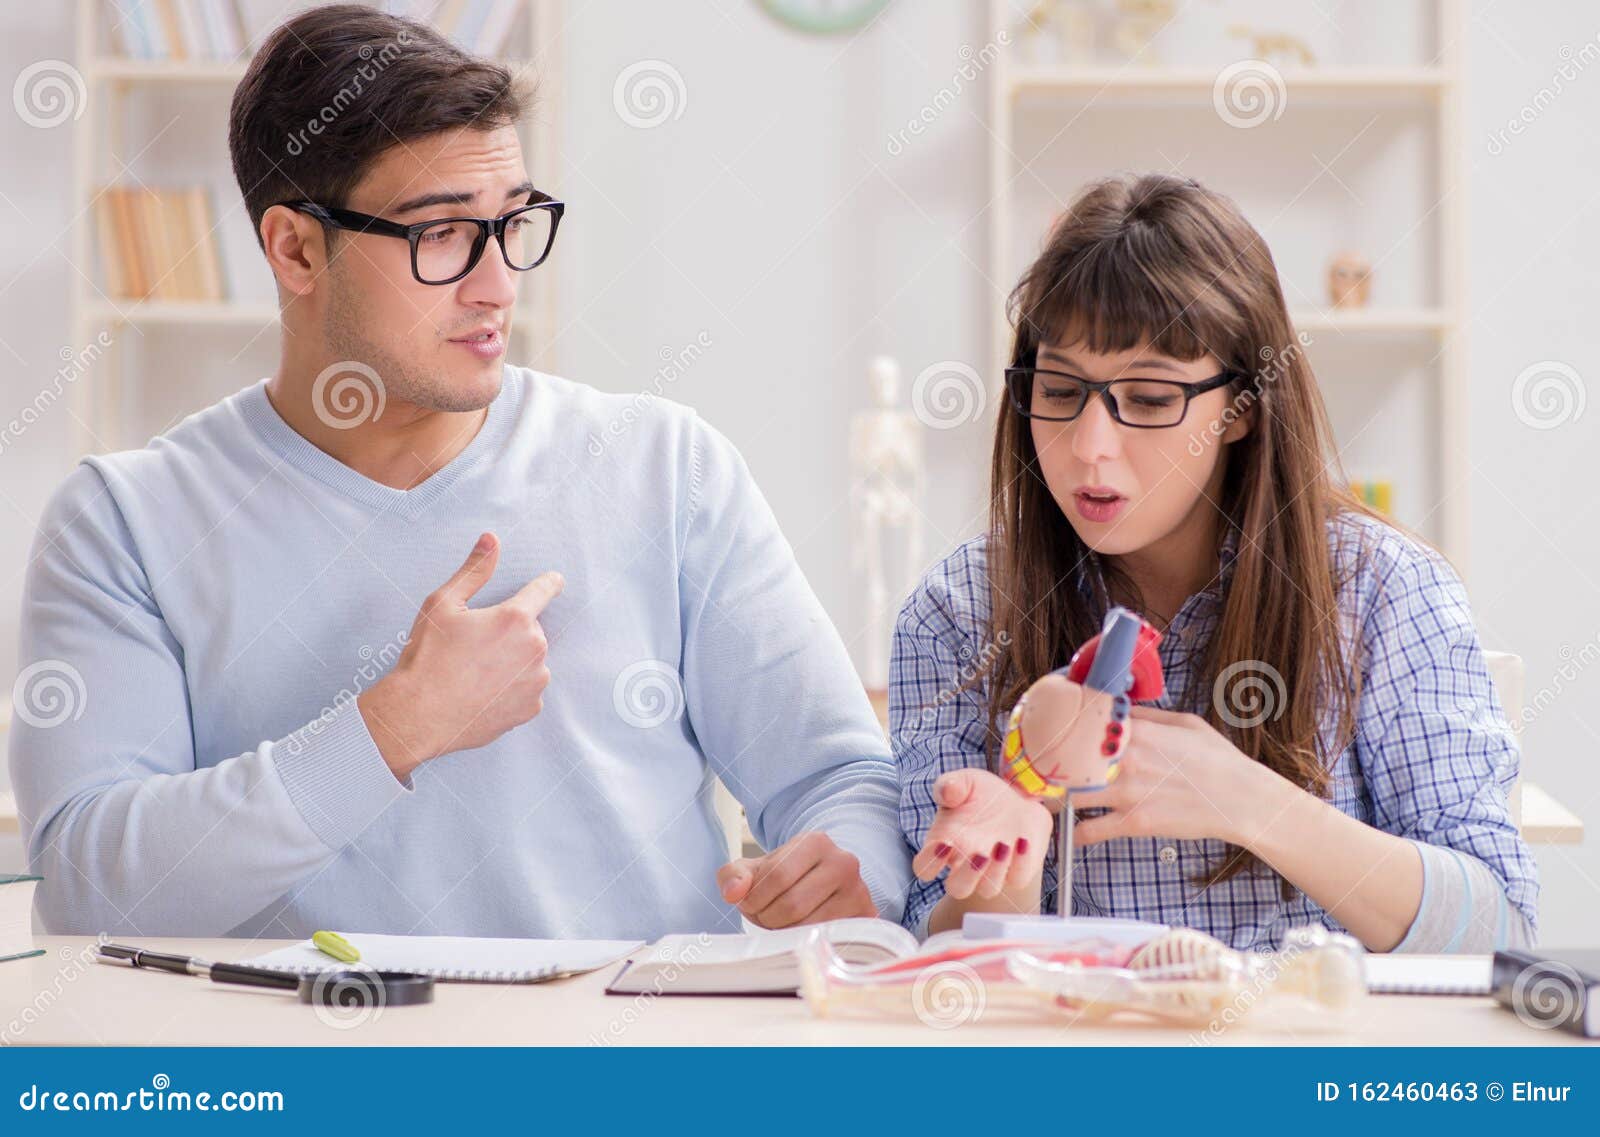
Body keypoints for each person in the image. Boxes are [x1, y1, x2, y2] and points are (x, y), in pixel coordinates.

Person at [8, 5, 910, 939]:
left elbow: (840, 779)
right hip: (307, 1039)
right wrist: (390, 731)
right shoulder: (126, 520)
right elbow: (84, 886)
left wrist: (853, 873)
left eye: (511, 222)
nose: (498, 286)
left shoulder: (665, 467)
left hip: (629, 1035)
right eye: (440, 234)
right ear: (296, 249)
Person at [892, 173, 1537, 951]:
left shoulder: (1384, 590)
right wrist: (1008, 864)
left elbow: (1498, 929)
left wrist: (1250, 802)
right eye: (1058, 389)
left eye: (1151, 399)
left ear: (1242, 408)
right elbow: (932, 957)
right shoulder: (961, 611)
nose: (1091, 446)